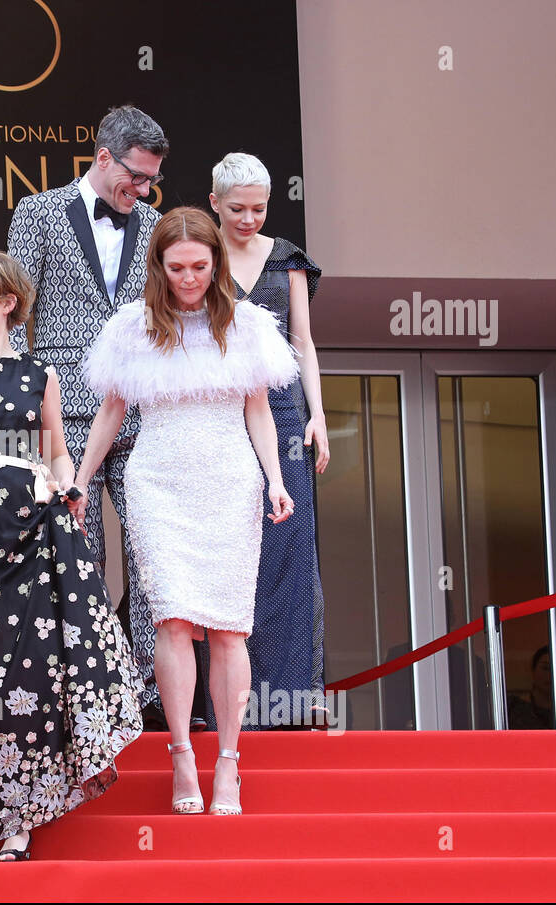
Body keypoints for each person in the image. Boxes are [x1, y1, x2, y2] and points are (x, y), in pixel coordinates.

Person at [0, 251, 144, 860]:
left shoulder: (40, 374)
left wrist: (71, 484)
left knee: (33, 674)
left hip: (35, 527)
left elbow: (58, 452)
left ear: (8, 302)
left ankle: (22, 819)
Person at [76, 207, 299, 814]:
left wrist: (276, 481)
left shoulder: (248, 324)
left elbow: (258, 410)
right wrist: (80, 479)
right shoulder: (132, 325)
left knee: (230, 628)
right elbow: (111, 411)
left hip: (229, 479)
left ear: (217, 262)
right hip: (157, 480)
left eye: (200, 265)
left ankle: (228, 761)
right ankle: (180, 755)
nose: (189, 278)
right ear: (159, 266)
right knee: (171, 619)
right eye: (176, 268)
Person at [6, 105, 209, 728]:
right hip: (65, 415)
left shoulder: (153, 224)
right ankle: (92, 696)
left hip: (146, 413)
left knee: (155, 552)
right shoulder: (36, 212)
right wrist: (24, 403)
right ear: (103, 158)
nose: (144, 191)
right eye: (137, 177)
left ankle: (155, 694)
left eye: (151, 180)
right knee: (78, 555)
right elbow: (15, 316)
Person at [210, 152, 329, 727]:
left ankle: (286, 703)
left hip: (283, 411)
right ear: (214, 204)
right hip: (217, 408)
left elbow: (303, 342)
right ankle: (222, 706)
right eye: (237, 209)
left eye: (259, 208)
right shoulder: (198, 258)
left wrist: (318, 415)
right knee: (229, 550)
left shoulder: (288, 261)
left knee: (287, 551)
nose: (249, 218)